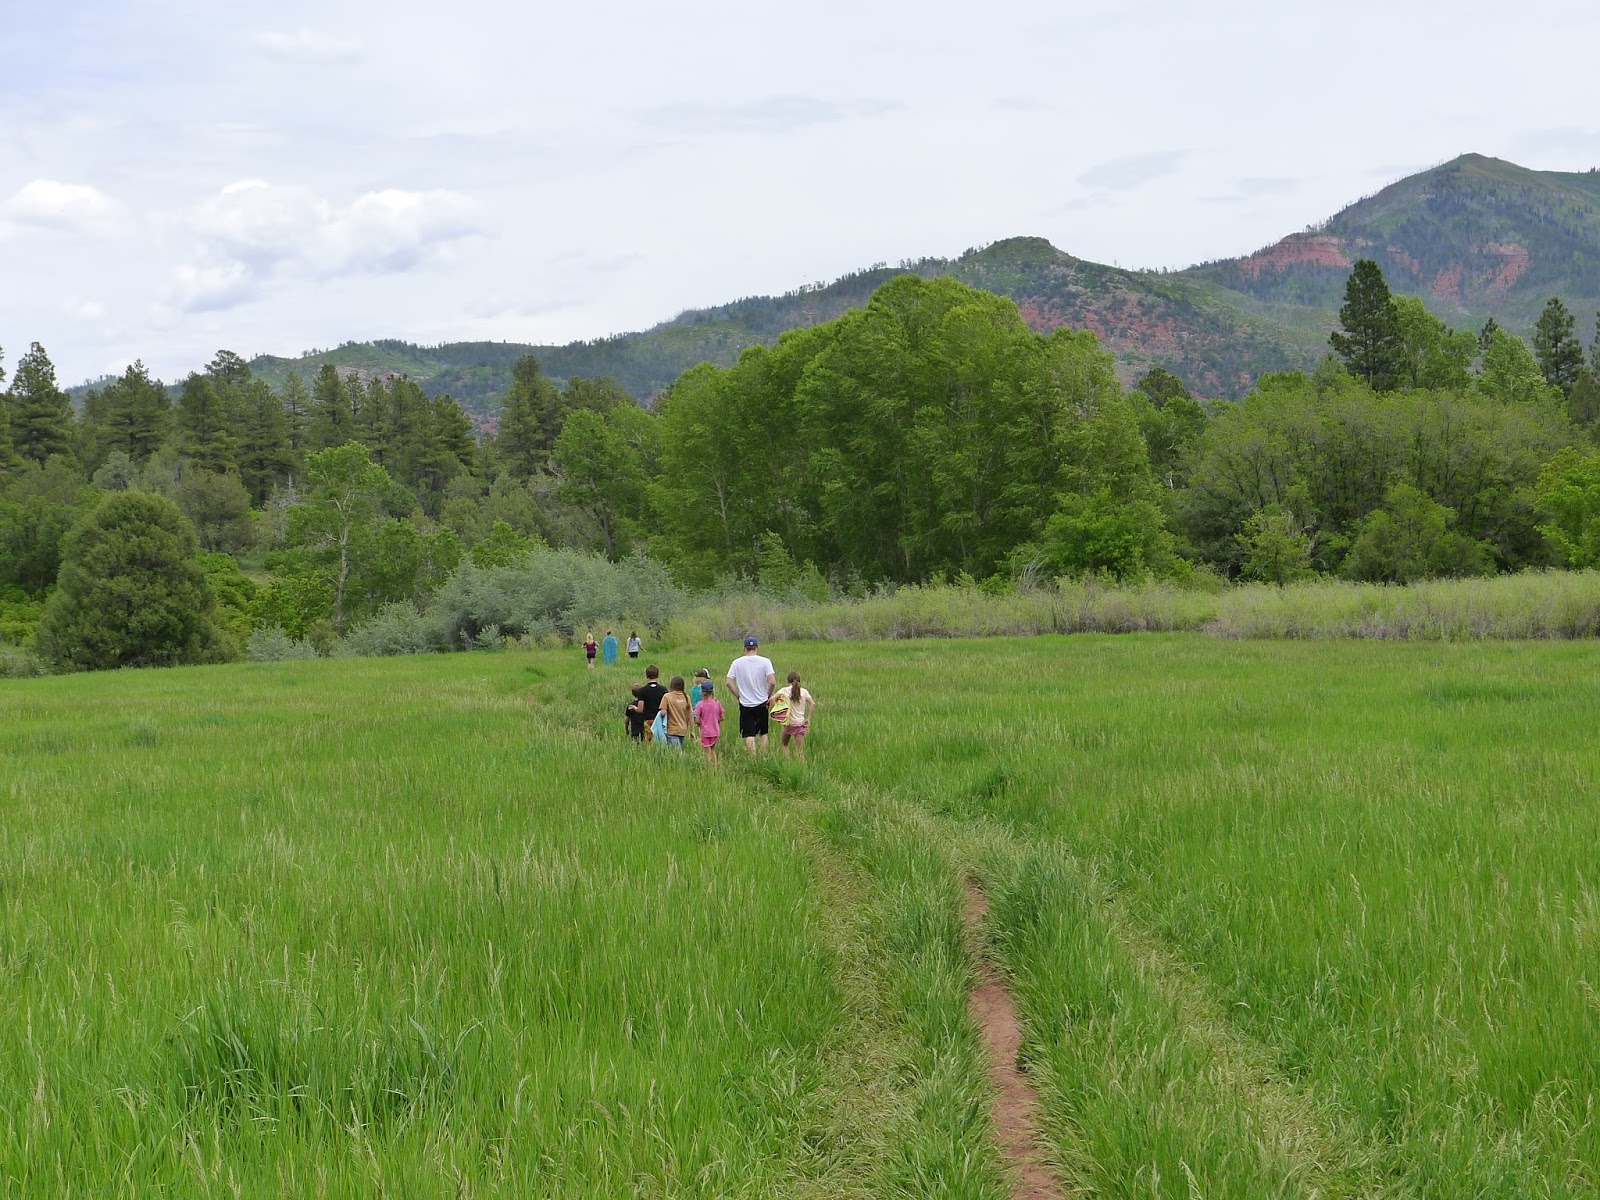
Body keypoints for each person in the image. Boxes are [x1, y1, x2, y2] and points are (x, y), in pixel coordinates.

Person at [726, 635, 777, 753]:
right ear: (757, 648)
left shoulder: (737, 663)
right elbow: (772, 682)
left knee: (749, 733)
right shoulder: (765, 661)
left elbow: (728, 682)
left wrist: (738, 696)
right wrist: (767, 695)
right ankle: (764, 756)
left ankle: (753, 758)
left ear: (744, 649)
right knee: (763, 732)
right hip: (762, 701)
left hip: (745, 703)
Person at [778, 671, 817, 760]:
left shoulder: (784, 690)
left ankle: (788, 762)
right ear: (799, 681)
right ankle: (801, 768)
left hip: (788, 723)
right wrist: (808, 718)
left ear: (788, 682)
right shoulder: (804, 691)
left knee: (784, 744)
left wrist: (777, 714)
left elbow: (772, 699)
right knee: (799, 752)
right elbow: (813, 704)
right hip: (800, 724)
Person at [631, 665, 667, 743]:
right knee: (661, 740)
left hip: (648, 720)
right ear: (658, 675)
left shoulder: (643, 690)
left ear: (647, 676)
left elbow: (640, 709)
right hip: (660, 719)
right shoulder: (663, 689)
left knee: (649, 741)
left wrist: (634, 708)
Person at [694, 679, 725, 764]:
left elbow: (696, 720)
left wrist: (701, 723)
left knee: (707, 751)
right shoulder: (717, 703)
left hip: (705, 731)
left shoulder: (700, 704)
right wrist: (715, 721)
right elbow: (722, 717)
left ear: (703, 692)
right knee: (712, 750)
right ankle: (715, 768)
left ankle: (709, 770)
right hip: (715, 731)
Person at [661, 676, 694, 749]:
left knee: (677, 754)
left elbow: (663, 712)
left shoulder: (667, 696)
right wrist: (692, 731)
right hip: (683, 730)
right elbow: (691, 715)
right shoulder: (686, 697)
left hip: (672, 730)